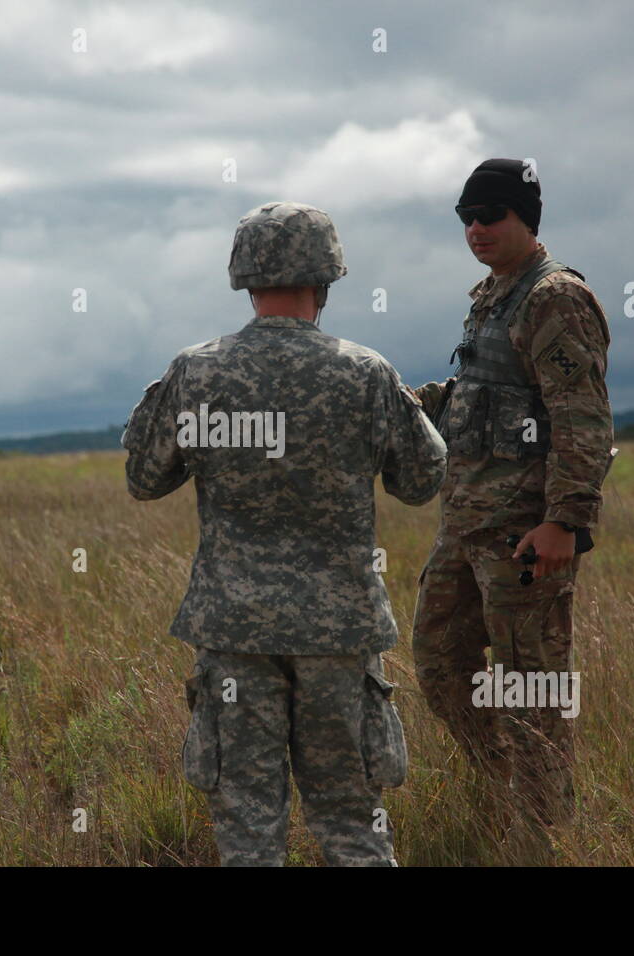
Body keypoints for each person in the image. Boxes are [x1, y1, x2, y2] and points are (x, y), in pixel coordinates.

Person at [124, 201, 446, 866]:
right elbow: (420, 482)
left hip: (235, 630)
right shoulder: (365, 372)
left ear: (244, 277)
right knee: (353, 819)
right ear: (326, 281)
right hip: (340, 630)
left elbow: (145, 477)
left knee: (246, 821)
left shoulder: (197, 372)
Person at [411, 159, 613, 854]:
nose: (476, 228)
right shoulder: (494, 295)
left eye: (491, 214)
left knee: (533, 691)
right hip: (465, 526)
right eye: (466, 216)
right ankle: (508, 792)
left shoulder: (555, 298)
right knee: (438, 662)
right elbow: (482, 395)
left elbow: (581, 416)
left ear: (528, 217)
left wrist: (566, 522)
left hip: (526, 535)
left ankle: (542, 837)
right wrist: (406, 405)